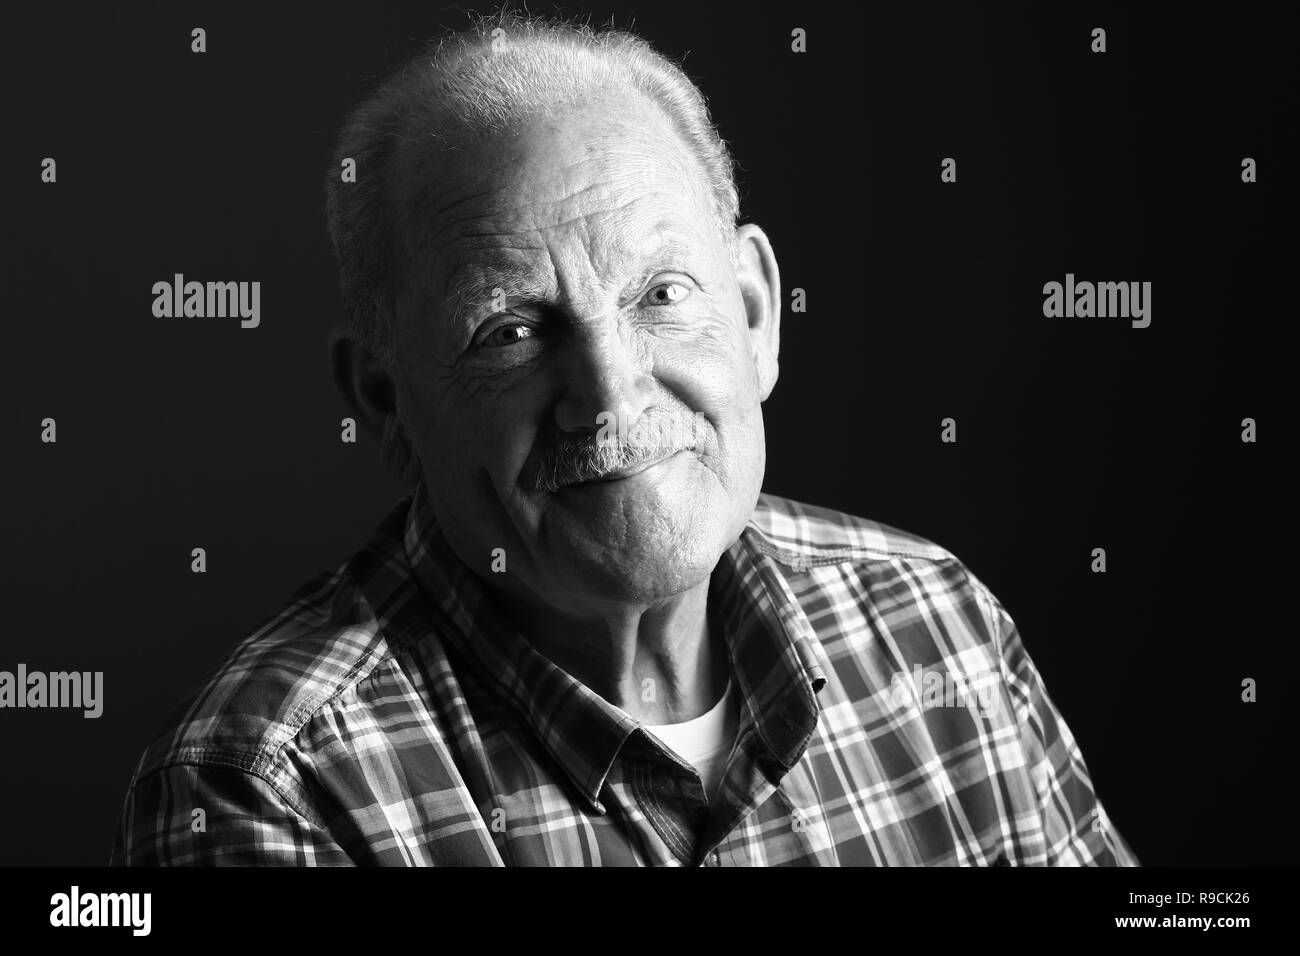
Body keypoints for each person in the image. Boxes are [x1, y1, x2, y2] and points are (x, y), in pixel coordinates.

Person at [110, 10, 1137, 866]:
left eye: (661, 294)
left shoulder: (937, 622)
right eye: (510, 330)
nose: (608, 393)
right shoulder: (271, 790)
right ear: (384, 402)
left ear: (755, 312)